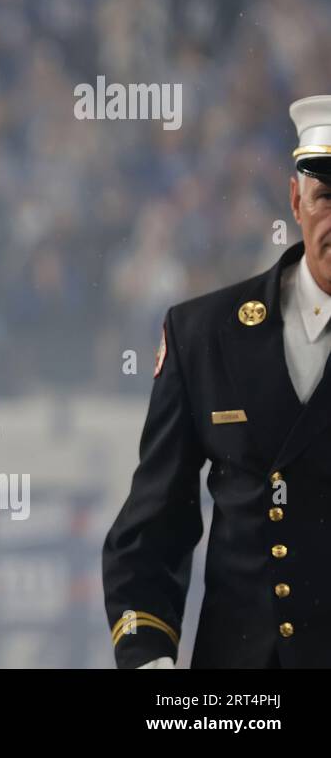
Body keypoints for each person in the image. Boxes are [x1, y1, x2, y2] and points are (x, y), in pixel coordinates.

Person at [103, 95, 331, 669]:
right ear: (295, 201)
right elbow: (156, 522)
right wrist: (148, 654)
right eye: (327, 198)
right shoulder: (203, 332)